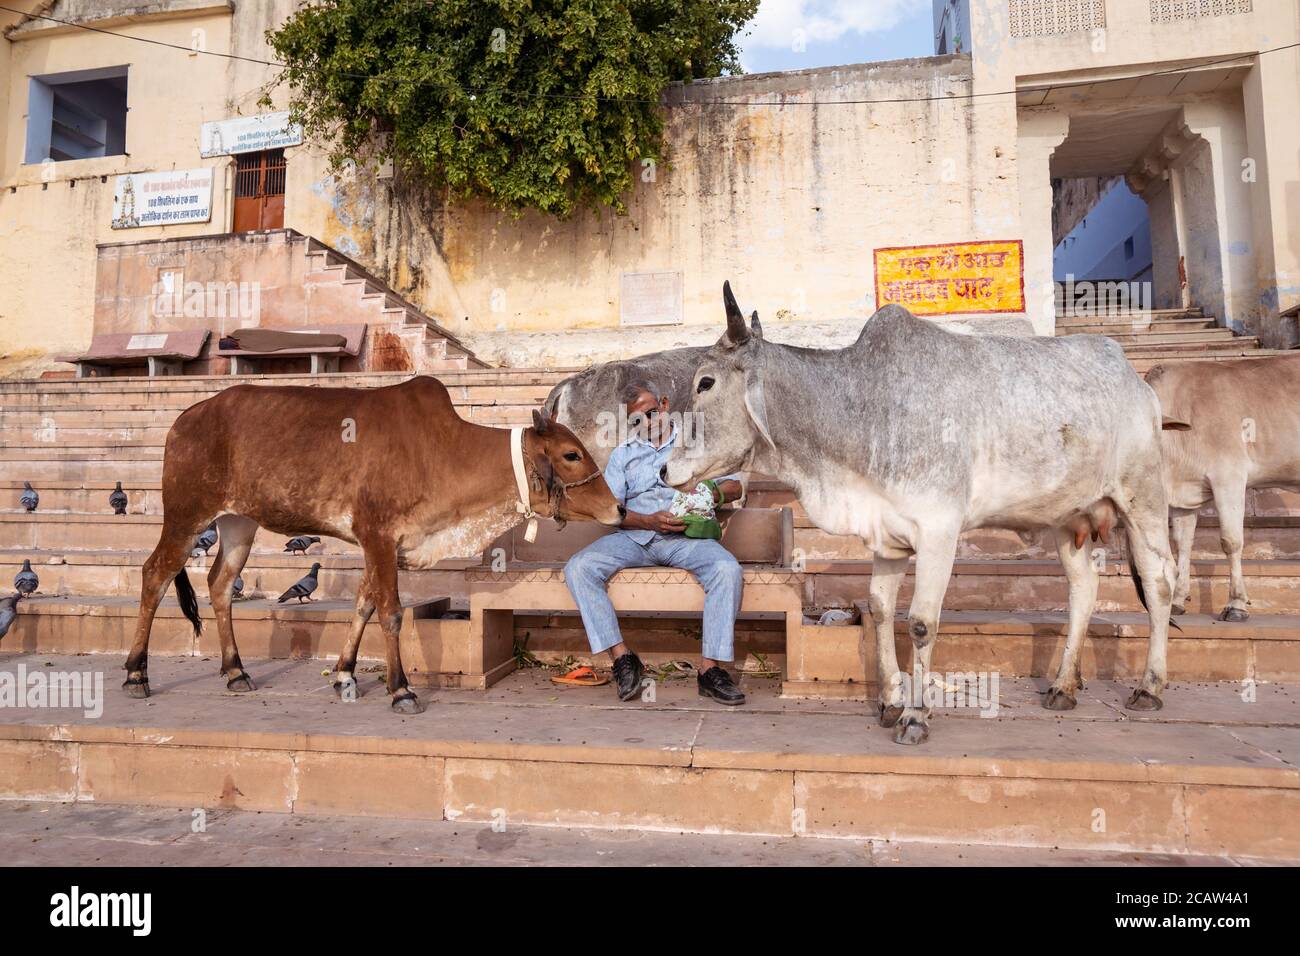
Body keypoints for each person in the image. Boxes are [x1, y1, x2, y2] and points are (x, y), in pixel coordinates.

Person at [564, 379, 747, 705]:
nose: (647, 423)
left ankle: (710, 670)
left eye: (650, 413)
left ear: (663, 405)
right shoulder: (623, 455)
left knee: (726, 568)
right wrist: (646, 520)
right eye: (637, 420)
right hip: (634, 538)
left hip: (685, 539)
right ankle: (622, 658)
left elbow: (735, 487)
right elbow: (611, 511)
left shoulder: (694, 446)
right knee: (579, 568)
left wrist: (708, 491)